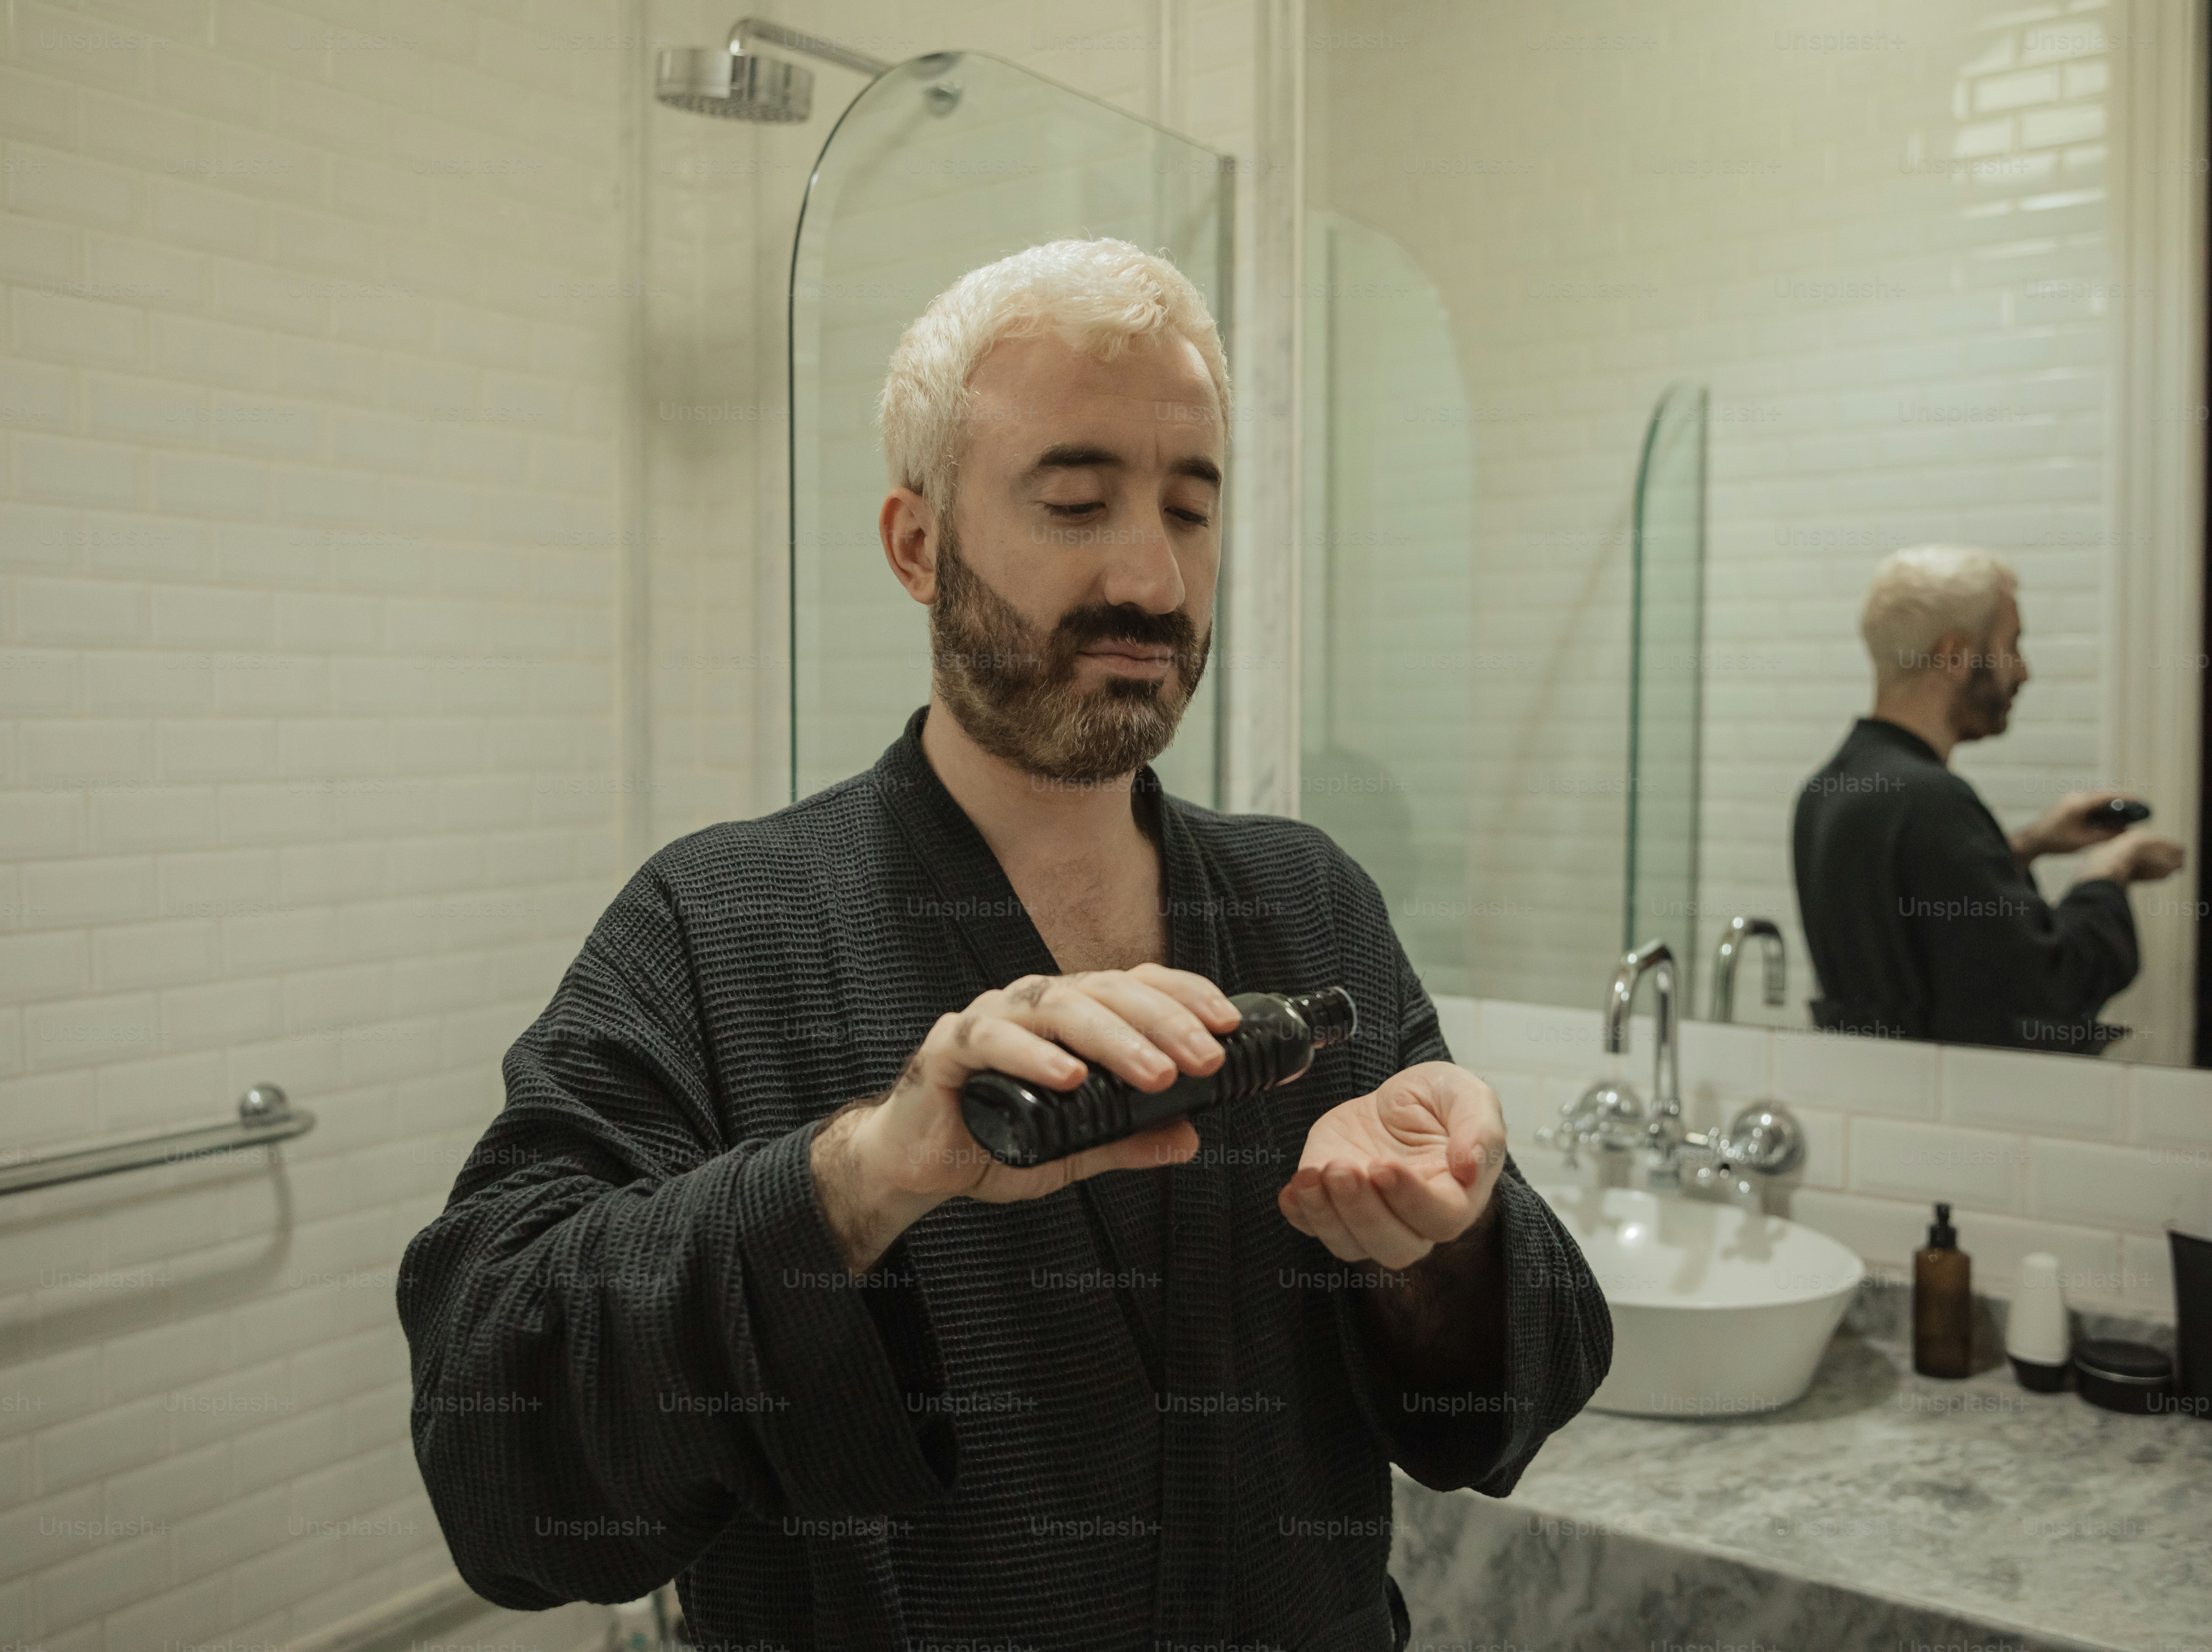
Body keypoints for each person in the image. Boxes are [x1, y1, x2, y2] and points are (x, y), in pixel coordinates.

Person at [398, 239, 1610, 1651]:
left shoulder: (1308, 902)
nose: (1154, 576)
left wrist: (1444, 1238)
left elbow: (1515, 1392)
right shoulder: (718, 927)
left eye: (1192, 508)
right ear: (918, 545)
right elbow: (495, 1455)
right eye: (1077, 502)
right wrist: (860, 1179)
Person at [1793, 544, 2184, 1053]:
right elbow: (2050, 993)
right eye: (2012, 646)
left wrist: (2029, 844)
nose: (2023, 672)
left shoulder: (1832, 787)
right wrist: (2107, 873)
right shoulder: (1931, 802)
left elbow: (1921, 918)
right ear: (1955, 656)